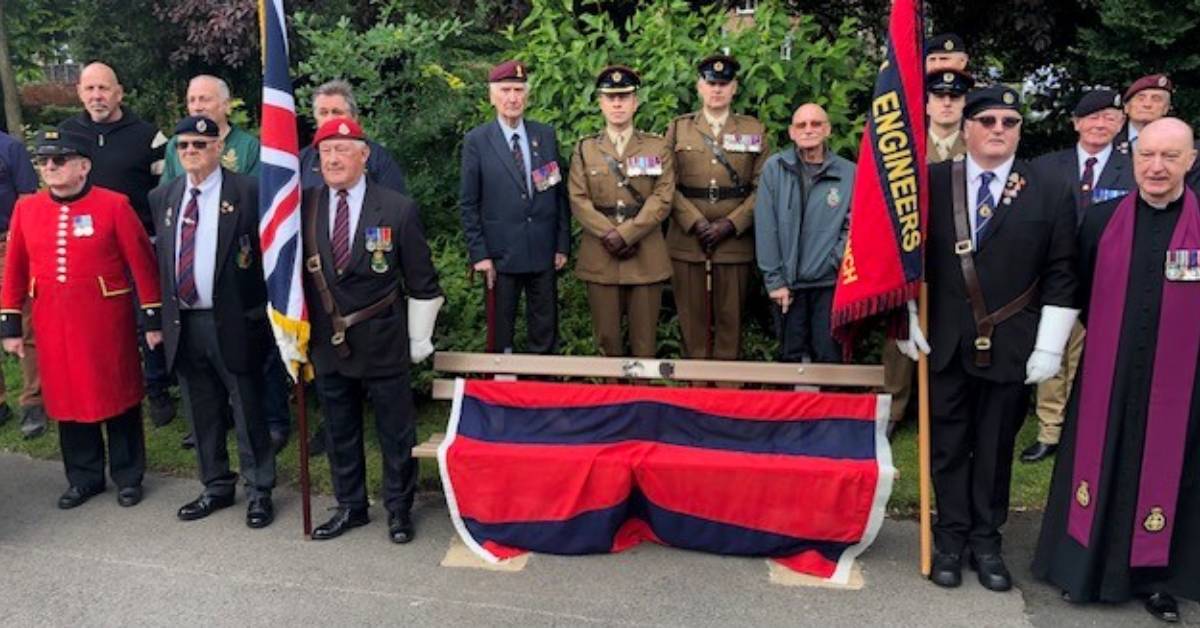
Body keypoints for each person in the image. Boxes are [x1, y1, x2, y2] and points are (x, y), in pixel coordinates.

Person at [897, 86, 1078, 592]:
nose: (999, 129)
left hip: (1013, 343)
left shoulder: (1048, 188)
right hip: (945, 341)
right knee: (948, 446)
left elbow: (1063, 271)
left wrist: (1049, 345)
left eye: (1010, 122)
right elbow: (906, 260)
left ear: (1020, 130)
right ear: (968, 128)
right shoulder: (933, 182)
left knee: (996, 447)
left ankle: (986, 539)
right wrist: (905, 317)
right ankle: (950, 536)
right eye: (989, 121)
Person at [1033, 117, 1200, 623]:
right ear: (1133, 157)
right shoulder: (1102, 220)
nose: (1157, 166)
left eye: (1170, 156)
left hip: (1182, 385)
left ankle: (1157, 581)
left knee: (1170, 475)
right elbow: (1074, 293)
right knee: (1097, 460)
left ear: (1191, 161)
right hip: (1108, 376)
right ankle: (1079, 569)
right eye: (1148, 155)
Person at [0, 129, 162, 509]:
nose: (50, 167)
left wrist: (152, 319)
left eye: (59, 160)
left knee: (118, 396)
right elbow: (15, 273)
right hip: (52, 325)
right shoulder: (27, 209)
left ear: (83, 166)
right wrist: (9, 326)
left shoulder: (115, 205)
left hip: (107, 324)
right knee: (66, 398)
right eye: (44, 161)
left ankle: (127, 476)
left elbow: (143, 266)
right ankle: (84, 477)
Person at [302, 118, 442, 544]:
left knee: (395, 431)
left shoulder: (397, 208)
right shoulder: (304, 206)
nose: (333, 159)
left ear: (364, 155)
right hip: (329, 339)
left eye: (342, 150)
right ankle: (351, 506)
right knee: (340, 428)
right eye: (326, 152)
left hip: (383, 336)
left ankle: (399, 509)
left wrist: (419, 337)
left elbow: (423, 282)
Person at [149, 116, 276, 528]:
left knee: (247, 407)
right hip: (185, 321)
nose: (190, 152)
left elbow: (268, 256)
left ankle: (259, 489)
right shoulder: (164, 197)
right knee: (200, 409)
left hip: (235, 319)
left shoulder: (248, 191)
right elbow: (161, 265)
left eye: (199, 145)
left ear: (218, 147)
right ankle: (216, 485)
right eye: (183, 146)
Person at [59, 62, 173, 429]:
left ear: (119, 92)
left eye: (103, 89)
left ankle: (156, 390)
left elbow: (165, 191)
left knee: (147, 319)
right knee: (100, 324)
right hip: (87, 249)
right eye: (89, 89)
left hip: (139, 242)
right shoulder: (66, 135)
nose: (97, 96)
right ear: (79, 93)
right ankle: (105, 387)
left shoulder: (149, 136)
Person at [1025, 89, 1134, 464]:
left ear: (1121, 125)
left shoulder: (1135, 167)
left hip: (1108, 280)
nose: (1100, 124)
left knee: (1095, 358)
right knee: (1053, 352)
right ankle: (1049, 430)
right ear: (1076, 123)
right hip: (1056, 278)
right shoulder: (1045, 166)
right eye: (1092, 117)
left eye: (1109, 118)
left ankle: (1082, 430)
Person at [881, 69, 973, 434]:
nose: (947, 103)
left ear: (965, 103)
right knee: (900, 332)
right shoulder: (907, 147)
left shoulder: (977, 148)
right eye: (939, 96)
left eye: (955, 97)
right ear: (927, 103)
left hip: (958, 257)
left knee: (951, 330)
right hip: (909, 252)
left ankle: (941, 408)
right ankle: (894, 408)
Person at [460, 60, 569, 354]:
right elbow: (469, 204)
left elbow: (557, 193)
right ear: (492, 96)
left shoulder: (544, 135)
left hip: (543, 252)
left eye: (518, 90)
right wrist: (479, 254)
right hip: (499, 257)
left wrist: (561, 245)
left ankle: (543, 387)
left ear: (527, 95)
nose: (512, 98)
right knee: (501, 332)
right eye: (506, 90)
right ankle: (502, 390)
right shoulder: (477, 141)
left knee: (545, 330)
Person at [665, 54, 767, 362]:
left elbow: (764, 188)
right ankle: (694, 392)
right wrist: (694, 221)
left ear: (734, 88)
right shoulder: (678, 129)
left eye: (724, 84)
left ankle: (728, 393)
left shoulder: (754, 130)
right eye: (711, 83)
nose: (717, 90)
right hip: (687, 240)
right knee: (691, 320)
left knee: (730, 321)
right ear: (699, 87)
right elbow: (664, 184)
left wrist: (732, 223)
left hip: (734, 241)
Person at [568, 66, 674, 358]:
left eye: (624, 97)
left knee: (645, 344)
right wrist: (609, 234)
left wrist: (626, 234)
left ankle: (643, 400)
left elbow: (663, 197)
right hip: (600, 253)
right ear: (600, 102)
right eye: (610, 97)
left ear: (635, 102)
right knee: (606, 342)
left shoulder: (657, 146)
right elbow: (578, 200)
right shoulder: (585, 149)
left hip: (645, 252)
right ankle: (609, 400)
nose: (617, 104)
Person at [754, 103, 854, 364]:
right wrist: (774, 281)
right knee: (790, 359)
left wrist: (834, 261)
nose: (809, 130)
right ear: (791, 132)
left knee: (829, 357)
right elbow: (766, 226)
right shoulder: (774, 169)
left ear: (828, 129)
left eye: (816, 124)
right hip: (787, 287)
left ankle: (830, 407)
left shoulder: (849, 173)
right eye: (801, 125)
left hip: (830, 285)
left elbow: (853, 226)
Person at [0, 129, 43, 437]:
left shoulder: (10, 148)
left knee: (25, 325)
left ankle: (34, 400)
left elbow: (27, 201)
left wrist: (18, 246)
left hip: (8, 244)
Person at [299, 79, 407, 194]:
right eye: (323, 113)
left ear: (354, 117)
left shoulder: (377, 158)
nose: (330, 119)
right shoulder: (302, 160)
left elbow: (395, 206)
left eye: (337, 112)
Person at [160, 75, 261, 183]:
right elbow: (167, 194)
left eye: (204, 100)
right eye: (191, 100)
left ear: (226, 105)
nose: (197, 107)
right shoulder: (178, 144)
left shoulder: (249, 147)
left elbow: (255, 194)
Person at [1114, 74, 1173, 154]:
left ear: (1166, 108)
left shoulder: (1178, 142)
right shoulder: (1108, 140)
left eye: (1156, 99)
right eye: (1140, 99)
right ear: (1127, 107)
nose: (1147, 104)